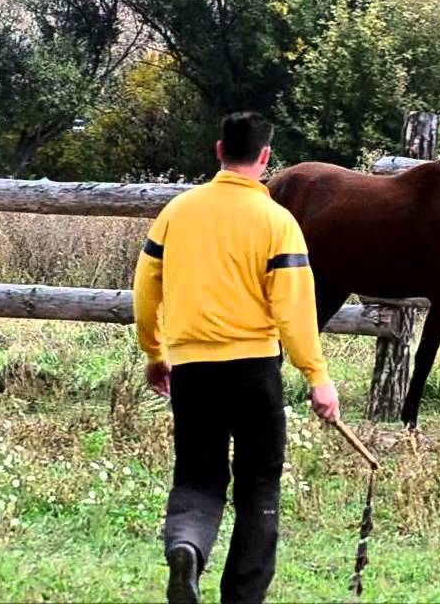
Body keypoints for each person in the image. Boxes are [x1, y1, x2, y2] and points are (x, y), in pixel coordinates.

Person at [132, 111, 341, 604]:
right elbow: (294, 310)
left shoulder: (176, 213)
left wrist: (155, 352)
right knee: (259, 485)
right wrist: (318, 376)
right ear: (266, 158)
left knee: (198, 476)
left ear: (219, 151)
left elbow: (145, 290)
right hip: (254, 371)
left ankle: (187, 545)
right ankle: (242, 598)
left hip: (192, 369)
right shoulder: (277, 221)